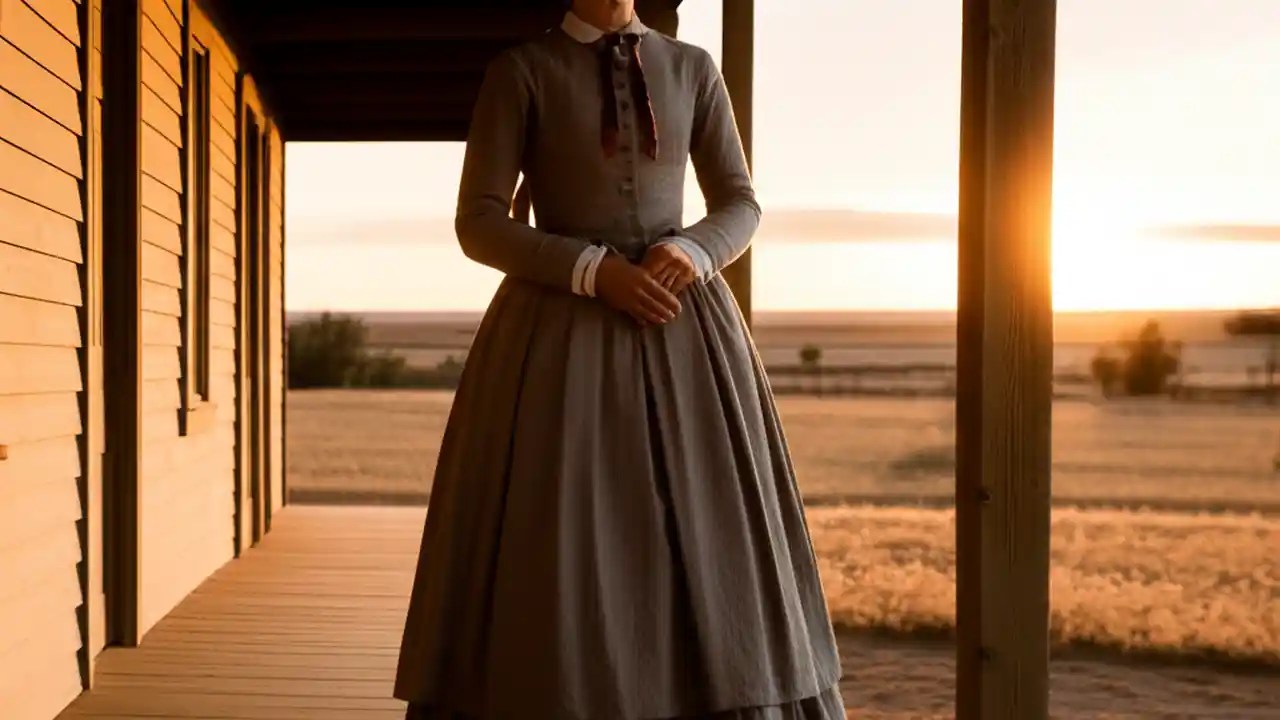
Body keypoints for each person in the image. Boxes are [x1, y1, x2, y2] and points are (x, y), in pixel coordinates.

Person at [395, 1, 842, 717]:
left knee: (711, 528)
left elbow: (741, 202)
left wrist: (693, 251)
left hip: (686, 330)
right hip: (556, 340)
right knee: (568, 533)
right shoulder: (521, 72)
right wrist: (593, 271)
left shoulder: (693, 68)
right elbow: (478, 221)